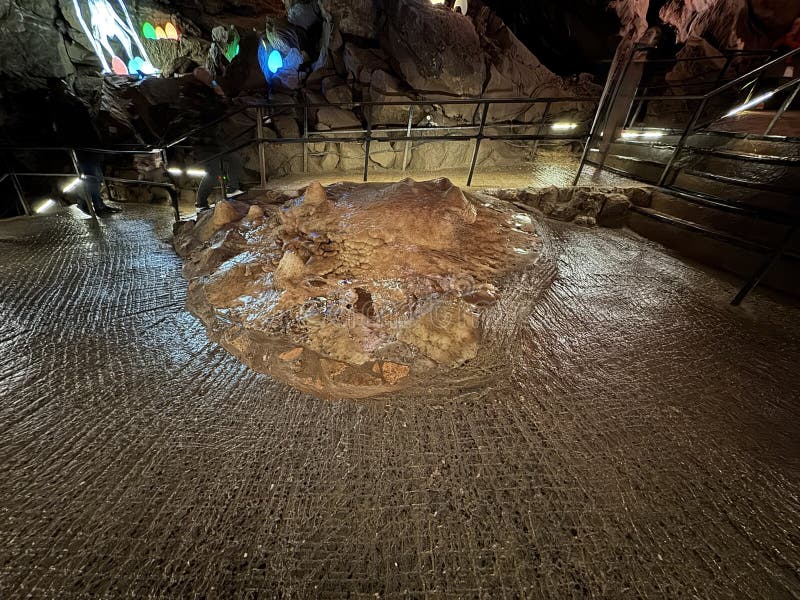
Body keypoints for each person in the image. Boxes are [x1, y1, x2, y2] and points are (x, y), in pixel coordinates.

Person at [76, 151, 120, 216]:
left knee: (97, 179)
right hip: (87, 153)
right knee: (92, 180)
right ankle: (91, 205)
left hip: (92, 153)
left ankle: (98, 205)